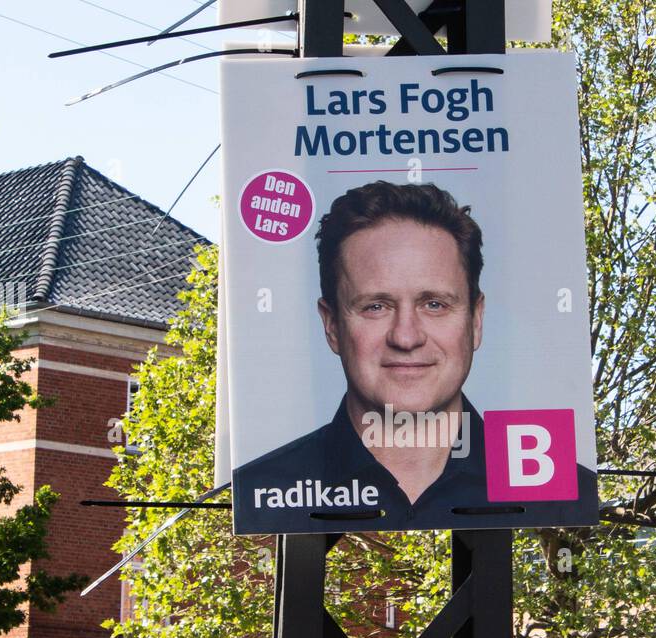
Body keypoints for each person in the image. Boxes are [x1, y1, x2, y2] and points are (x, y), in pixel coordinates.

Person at [233, 180, 596, 533]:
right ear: (331, 327)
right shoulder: (260, 491)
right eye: (376, 306)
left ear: (476, 320)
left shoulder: (561, 491)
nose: (406, 337)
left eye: (435, 304)